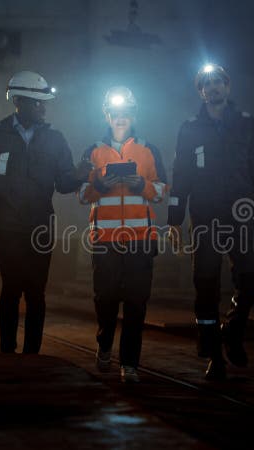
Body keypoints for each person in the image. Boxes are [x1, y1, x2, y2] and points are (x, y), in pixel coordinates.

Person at [0, 70, 91, 354]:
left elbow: (63, 183)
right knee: (12, 287)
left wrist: (82, 174)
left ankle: (32, 354)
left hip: (41, 227)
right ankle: (7, 351)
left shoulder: (55, 140)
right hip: (6, 227)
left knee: (36, 291)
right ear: (19, 102)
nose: (43, 108)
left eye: (44, 103)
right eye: (38, 103)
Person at [167, 64, 254, 380]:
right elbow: (181, 176)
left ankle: (234, 329)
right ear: (201, 92)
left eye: (218, 82)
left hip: (241, 215)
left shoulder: (247, 125)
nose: (213, 87)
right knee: (206, 284)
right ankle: (214, 353)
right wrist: (175, 220)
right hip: (204, 217)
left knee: (252, 277)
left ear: (228, 87)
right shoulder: (189, 129)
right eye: (207, 84)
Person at [78, 86, 167, 383]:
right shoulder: (92, 151)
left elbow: (162, 191)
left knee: (136, 301)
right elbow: (81, 193)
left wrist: (140, 183)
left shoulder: (148, 150)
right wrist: (101, 185)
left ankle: (129, 364)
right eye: (115, 113)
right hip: (105, 241)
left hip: (141, 239)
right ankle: (104, 343)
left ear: (134, 115)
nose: (120, 118)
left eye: (126, 113)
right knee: (105, 298)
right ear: (106, 115)